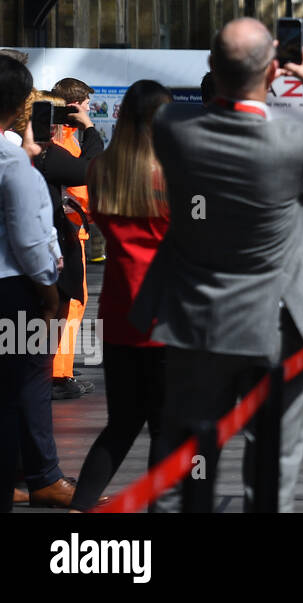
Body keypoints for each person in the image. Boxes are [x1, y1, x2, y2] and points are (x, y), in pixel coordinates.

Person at [128, 18, 303, 512]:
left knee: (182, 455)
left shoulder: (173, 131)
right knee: (273, 457)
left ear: (210, 66)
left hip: (197, 317)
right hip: (281, 319)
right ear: (274, 70)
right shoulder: (292, 141)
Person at [69, 80, 173, 512]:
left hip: (118, 309)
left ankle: (80, 508)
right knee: (167, 430)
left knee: (121, 424)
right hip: (167, 314)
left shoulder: (103, 170)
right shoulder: (176, 175)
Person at [0, 56, 63, 513]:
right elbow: (30, 239)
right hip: (16, 292)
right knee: (28, 384)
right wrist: (49, 293)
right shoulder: (15, 167)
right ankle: (41, 476)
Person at [48, 78, 103, 398]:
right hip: (69, 231)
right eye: (84, 103)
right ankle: (58, 373)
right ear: (73, 106)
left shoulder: (62, 138)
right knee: (71, 305)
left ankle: (59, 367)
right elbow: (85, 180)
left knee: (64, 304)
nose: (88, 108)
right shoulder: (66, 142)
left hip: (67, 229)